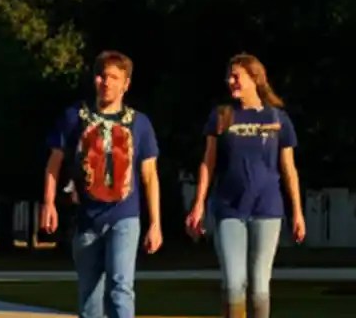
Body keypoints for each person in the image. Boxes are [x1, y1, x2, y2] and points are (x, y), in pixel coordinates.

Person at [40, 50, 163, 318]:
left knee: (121, 288)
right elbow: (54, 162)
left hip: (125, 216)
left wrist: (155, 223)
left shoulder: (139, 124)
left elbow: (150, 175)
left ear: (125, 84)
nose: (106, 82)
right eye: (101, 76)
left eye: (113, 77)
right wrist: (49, 203)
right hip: (87, 218)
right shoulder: (74, 116)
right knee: (90, 298)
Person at [184, 54, 305, 318]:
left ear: (255, 78)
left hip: (267, 209)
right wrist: (198, 205)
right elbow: (208, 163)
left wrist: (297, 211)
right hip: (229, 209)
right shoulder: (222, 115)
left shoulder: (277, 118)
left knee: (260, 285)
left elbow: (289, 169)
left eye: (237, 76)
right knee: (233, 283)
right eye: (229, 76)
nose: (231, 81)